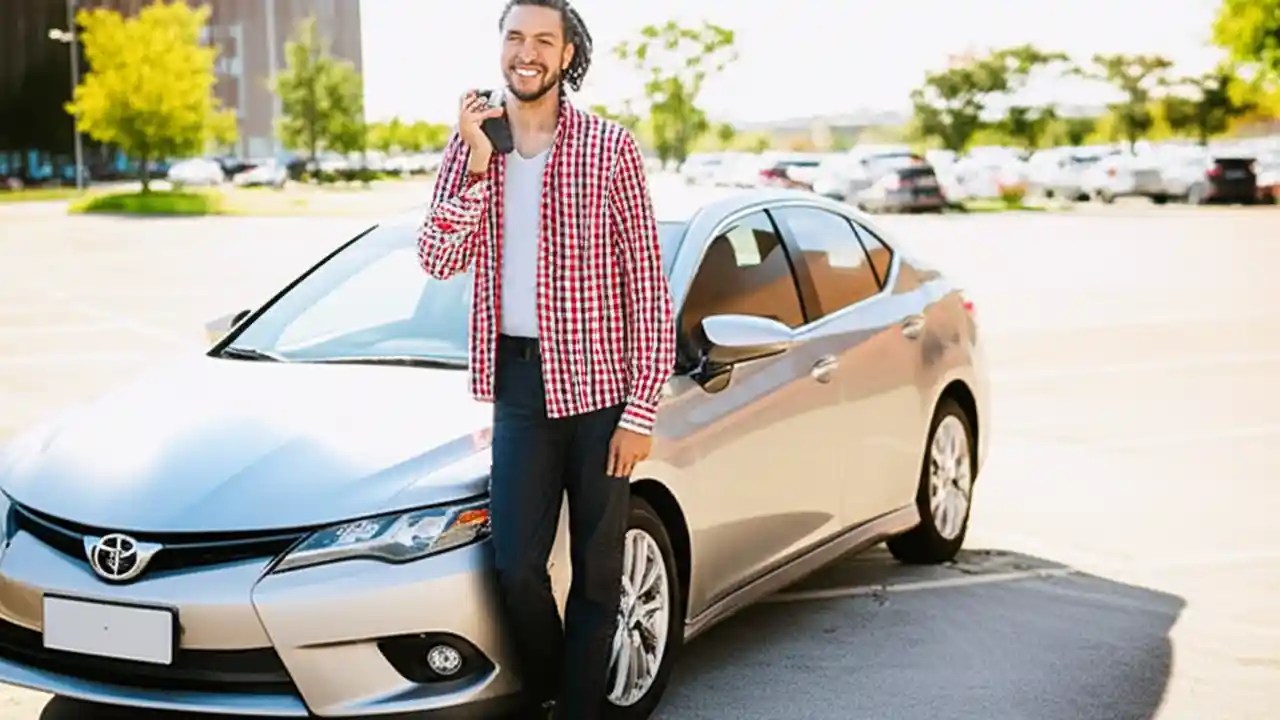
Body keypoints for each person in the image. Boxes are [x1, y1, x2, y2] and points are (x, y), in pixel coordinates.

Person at [415, 1, 675, 717]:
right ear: (500, 48)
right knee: (516, 568)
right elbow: (438, 258)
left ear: (567, 56)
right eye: (515, 38)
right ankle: (565, 690)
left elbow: (647, 287)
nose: (526, 53)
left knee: (598, 573)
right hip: (519, 386)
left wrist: (641, 408)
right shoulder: (473, 143)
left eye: (543, 41)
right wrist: (473, 161)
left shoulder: (609, 148)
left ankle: (578, 710)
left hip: (601, 391)